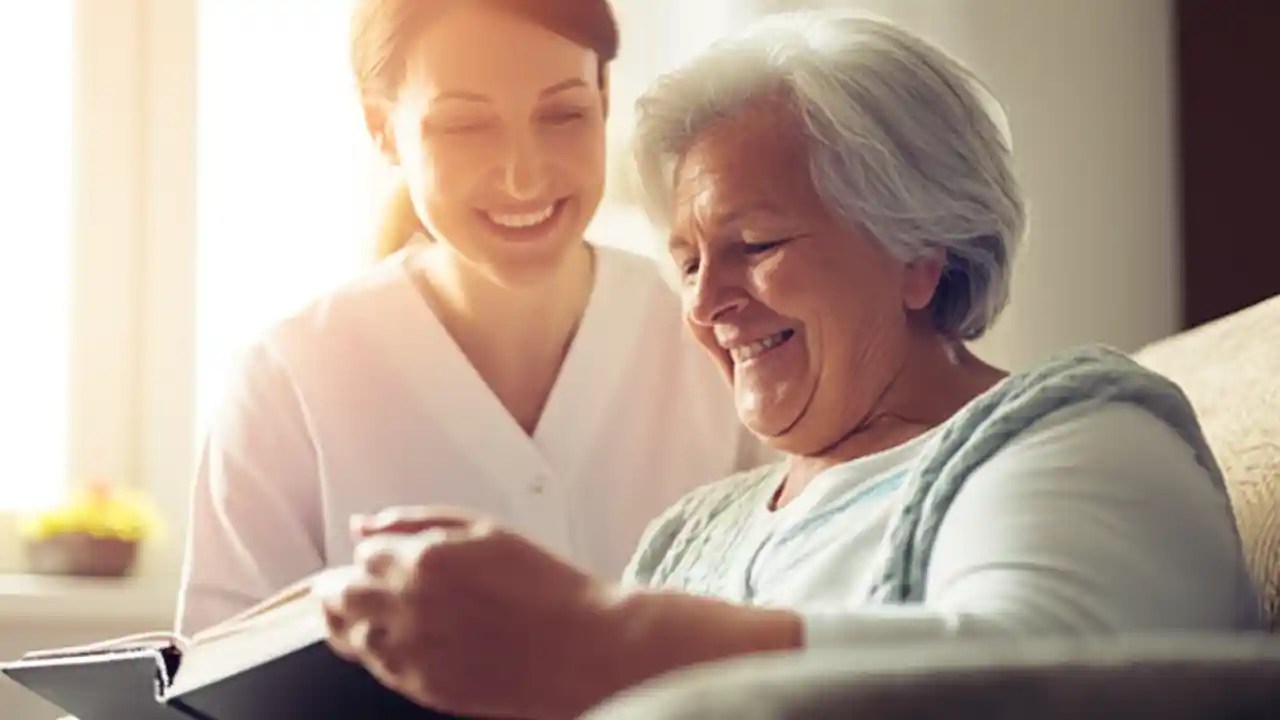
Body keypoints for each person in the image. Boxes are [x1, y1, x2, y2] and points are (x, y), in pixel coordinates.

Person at [318, 11, 1262, 720]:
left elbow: (1050, 673)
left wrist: (606, 640)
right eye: (688, 262)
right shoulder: (694, 533)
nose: (704, 302)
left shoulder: (1071, 432)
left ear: (918, 251)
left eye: (757, 243)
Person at [176, 0, 765, 634]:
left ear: (604, 97)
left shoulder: (721, 332)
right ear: (381, 129)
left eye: (562, 115)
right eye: (464, 126)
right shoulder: (287, 383)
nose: (523, 175)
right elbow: (223, 683)